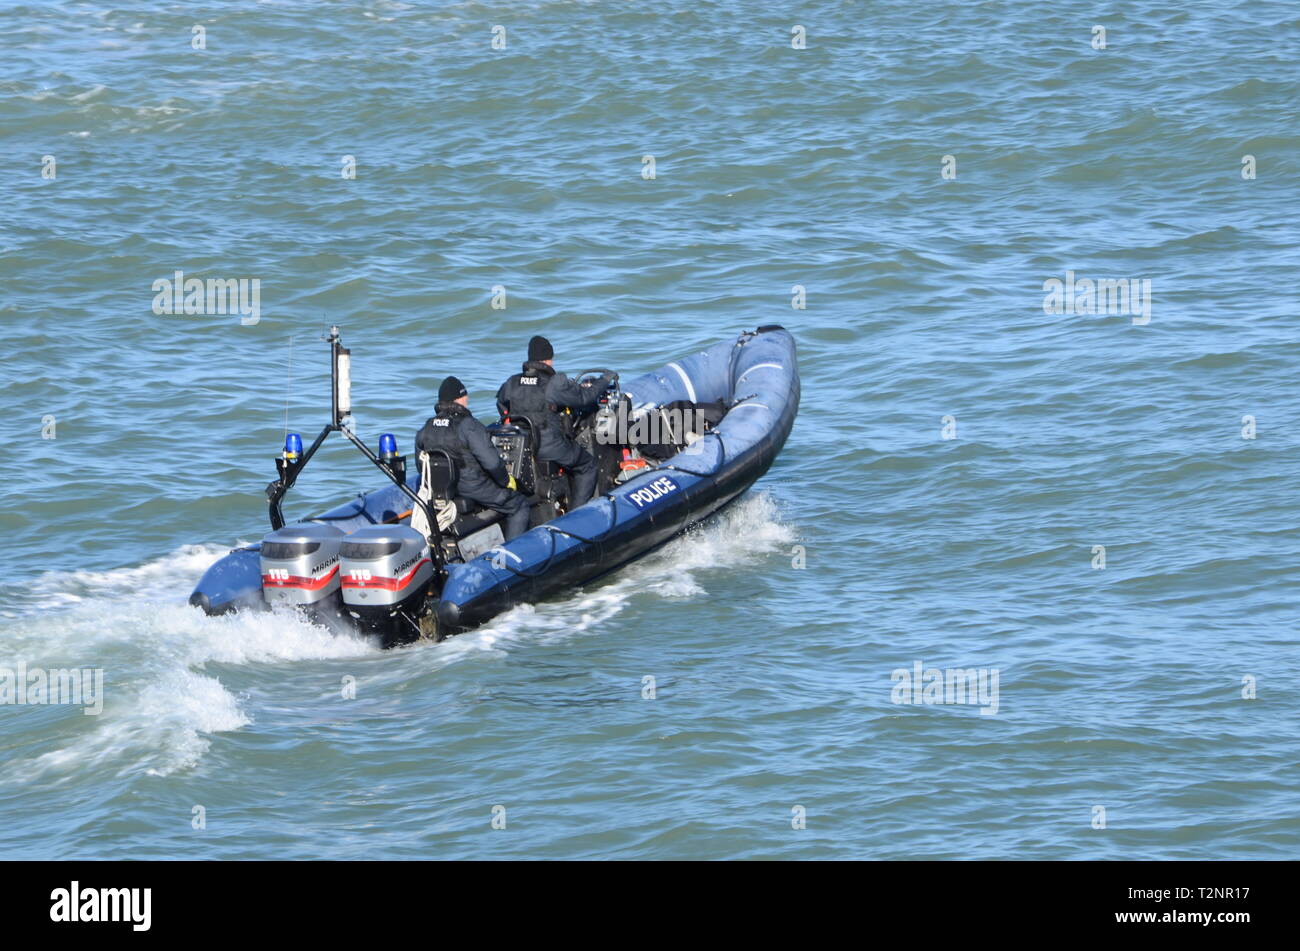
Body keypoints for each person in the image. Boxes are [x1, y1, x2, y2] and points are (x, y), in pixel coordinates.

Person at [496, 335, 610, 507]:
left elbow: (501, 403)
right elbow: (585, 397)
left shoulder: (512, 382)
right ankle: (577, 513)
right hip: (549, 446)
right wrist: (604, 380)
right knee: (588, 465)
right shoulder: (553, 383)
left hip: (521, 448)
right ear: (548, 359)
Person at [416, 376, 530, 541]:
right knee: (519, 504)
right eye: (465, 396)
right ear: (460, 398)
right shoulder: (468, 425)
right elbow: (492, 463)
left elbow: (421, 466)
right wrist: (506, 481)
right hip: (473, 487)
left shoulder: (426, 427)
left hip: (444, 489)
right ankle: (514, 553)